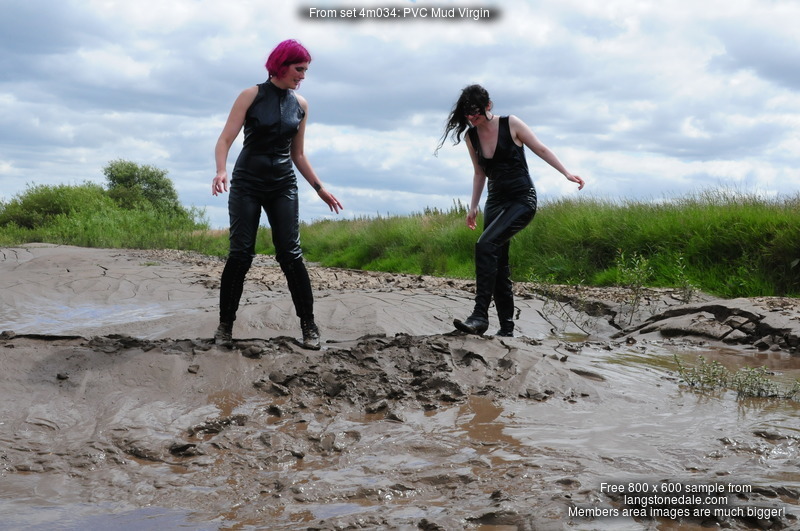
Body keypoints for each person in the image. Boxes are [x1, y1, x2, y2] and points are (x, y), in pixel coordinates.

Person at [211, 39, 343, 350]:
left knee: (290, 254)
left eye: (306, 70)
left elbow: (298, 154)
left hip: (283, 185)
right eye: (299, 69)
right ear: (281, 66)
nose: (303, 76)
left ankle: (309, 326)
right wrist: (221, 170)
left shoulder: (301, 104)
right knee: (241, 254)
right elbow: (225, 139)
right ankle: (225, 326)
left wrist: (320, 188)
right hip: (247, 183)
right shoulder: (250, 95)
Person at [436, 84, 584, 337]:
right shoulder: (471, 137)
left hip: (521, 199)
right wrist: (473, 207)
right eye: (467, 114)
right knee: (499, 265)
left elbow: (541, 148)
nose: (472, 118)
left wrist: (566, 173)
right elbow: (479, 173)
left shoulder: (511, 123)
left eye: (476, 112)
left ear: (488, 106)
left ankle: (479, 315)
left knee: (485, 246)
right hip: (494, 202)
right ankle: (506, 330)